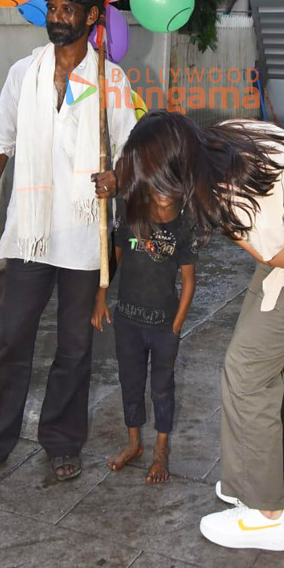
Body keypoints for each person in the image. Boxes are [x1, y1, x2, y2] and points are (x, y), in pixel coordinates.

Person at [117, 110, 284, 552]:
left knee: (247, 370)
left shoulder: (233, 195)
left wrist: (226, 223)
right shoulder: (223, 141)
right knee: (249, 367)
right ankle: (272, 478)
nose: (152, 203)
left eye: (155, 191)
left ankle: (266, 515)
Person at [0, 0, 135, 486]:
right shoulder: (24, 74)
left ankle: (61, 442)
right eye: (52, 9)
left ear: (91, 18)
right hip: (31, 234)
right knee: (11, 339)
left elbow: (132, 153)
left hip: (83, 238)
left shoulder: (111, 80)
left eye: (67, 11)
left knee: (75, 349)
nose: (57, 20)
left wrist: (115, 175)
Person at [91, 191, 197, 484]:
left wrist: (176, 325)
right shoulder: (133, 216)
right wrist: (101, 296)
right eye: (156, 185)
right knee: (130, 383)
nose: (162, 192)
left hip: (163, 326)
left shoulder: (183, 228)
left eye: (170, 185)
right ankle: (134, 443)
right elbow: (112, 259)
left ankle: (160, 448)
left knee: (162, 387)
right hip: (128, 323)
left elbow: (189, 281)